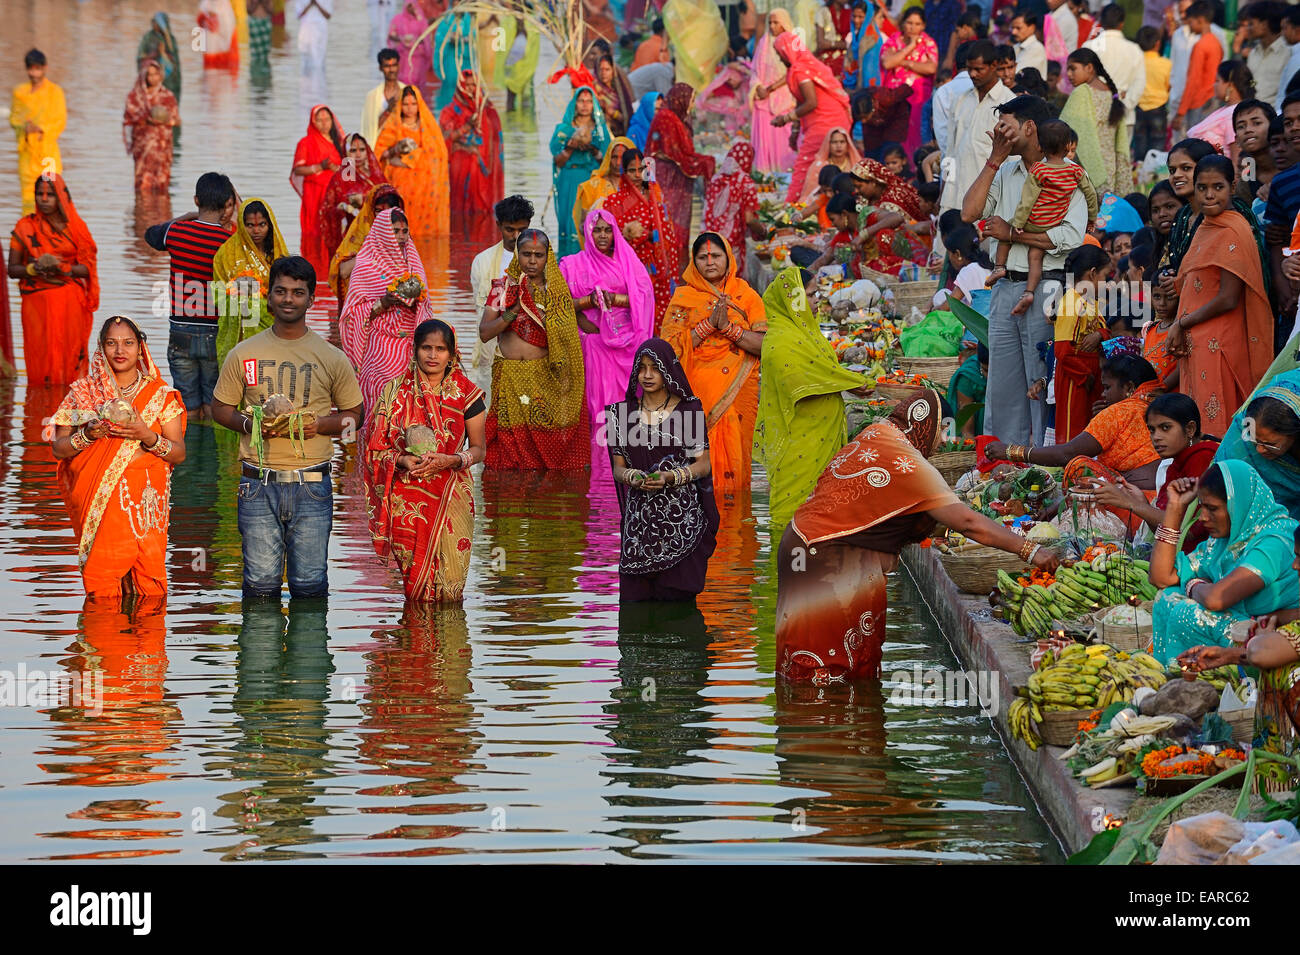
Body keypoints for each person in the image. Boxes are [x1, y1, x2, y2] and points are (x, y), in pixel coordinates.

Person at [776, 391, 1060, 684]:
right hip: (827, 559)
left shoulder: (878, 434)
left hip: (800, 546)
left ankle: (805, 724)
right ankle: (835, 724)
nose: (940, 443)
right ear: (926, 424)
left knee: (805, 660)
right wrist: (1031, 550)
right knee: (834, 668)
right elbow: (967, 522)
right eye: (941, 432)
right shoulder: (905, 460)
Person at [212, 256, 364, 600]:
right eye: (280, 291)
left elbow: (356, 415)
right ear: (268, 297)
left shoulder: (331, 356)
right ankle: (260, 651)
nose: (288, 299)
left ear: (311, 299)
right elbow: (220, 409)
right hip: (256, 484)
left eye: (298, 292)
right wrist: (251, 425)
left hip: (313, 484)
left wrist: (319, 425)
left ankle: (307, 653)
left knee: (310, 587)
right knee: (259, 587)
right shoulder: (244, 353)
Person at [961, 94, 1087, 447]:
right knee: (1002, 388)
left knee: (1039, 385)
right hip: (1005, 290)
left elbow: (1072, 236)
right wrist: (993, 160)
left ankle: (1040, 471)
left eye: (1006, 126)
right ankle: (1000, 471)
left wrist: (1013, 234)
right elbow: (969, 213)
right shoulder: (1004, 170)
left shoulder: (1068, 173)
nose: (998, 133)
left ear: (1029, 128)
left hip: (1048, 288)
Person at [47, 316, 187, 596]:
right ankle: (101, 637)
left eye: (128, 343)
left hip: (146, 508)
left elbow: (179, 453)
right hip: (102, 507)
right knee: (103, 589)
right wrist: (87, 435)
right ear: (101, 348)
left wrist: (146, 436)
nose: (120, 350)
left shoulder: (160, 395)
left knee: (150, 591)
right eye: (111, 343)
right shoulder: (84, 392)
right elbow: (58, 448)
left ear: (140, 347)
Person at [365, 319, 486, 603]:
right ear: (415, 350)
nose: (433, 355)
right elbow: (374, 450)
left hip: (452, 496)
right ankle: (414, 644)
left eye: (440, 349)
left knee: (450, 593)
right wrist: (402, 460)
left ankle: (450, 645)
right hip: (407, 501)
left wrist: (452, 459)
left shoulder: (468, 394)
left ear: (452, 353)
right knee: (415, 592)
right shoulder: (393, 393)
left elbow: (479, 450)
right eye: (426, 348)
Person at [1150, 460, 1300, 664]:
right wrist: (1175, 509)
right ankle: (1174, 675)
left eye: (1212, 508)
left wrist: (1194, 584)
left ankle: (1206, 680)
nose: (1203, 518)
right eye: (1202, 507)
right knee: (1166, 597)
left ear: (1237, 505)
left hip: (1275, 642)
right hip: (1248, 625)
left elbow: (1216, 599)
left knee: (1188, 613)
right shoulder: (1226, 539)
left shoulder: (1274, 540)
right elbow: (1161, 577)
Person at [606, 338, 720, 601]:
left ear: (668, 369)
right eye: (642, 367)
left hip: (682, 527)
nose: (647, 375)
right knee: (635, 612)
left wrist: (671, 477)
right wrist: (632, 476)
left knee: (678, 607)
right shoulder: (621, 414)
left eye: (655, 368)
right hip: (638, 532)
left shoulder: (688, 410)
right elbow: (618, 469)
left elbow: (702, 464)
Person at [755, 267, 867, 532]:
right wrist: (856, 382)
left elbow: (825, 370)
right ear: (792, 298)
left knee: (819, 524)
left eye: (816, 294)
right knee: (790, 525)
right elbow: (802, 381)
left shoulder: (808, 333)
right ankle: (782, 572)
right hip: (798, 448)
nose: (817, 300)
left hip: (819, 441)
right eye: (810, 294)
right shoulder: (779, 341)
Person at [1167, 155, 1273, 432]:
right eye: (1202, 188)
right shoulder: (1205, 226)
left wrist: (1182, 323)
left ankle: (1217, 474)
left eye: (1218, 187)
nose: (1209, 195)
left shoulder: (1233, 228)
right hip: (1197, 340)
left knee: (1215, 420)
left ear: (1233, 186)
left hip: (1219, 341)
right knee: (1196, 418)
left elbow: (1228, 297)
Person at [661, 233, 766, 508]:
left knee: (734, 467)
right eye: (702, 257)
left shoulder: (746, 295)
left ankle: (732, 530)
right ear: (693, 262)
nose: (710, 262)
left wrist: (729, 329)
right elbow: (668, 350)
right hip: (696, 394)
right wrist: (708, 325)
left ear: (728, 257)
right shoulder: (684, 298)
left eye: (716, 255)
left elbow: (766, 345)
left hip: (737, 393)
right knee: (694, 471)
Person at [479, 230, 588, 470]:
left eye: (538, 255)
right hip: (508, 376)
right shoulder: (502, 289)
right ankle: (509, 500)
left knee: (542, 451)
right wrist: (512, 311)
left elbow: (567, 343)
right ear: (517, 255)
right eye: (526, 254)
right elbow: (485, 333)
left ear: (547, 257)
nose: (531, 261)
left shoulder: (556, 294)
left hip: (542, 378)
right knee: (507, 450)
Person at [561, 209, 656, 463]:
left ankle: (630, 465)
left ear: (615, 233)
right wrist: (587, 301)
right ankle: (601, 470)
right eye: (596, 230)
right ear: (587, 233)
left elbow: (644, 295)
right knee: (598, 412)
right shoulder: (571, 264)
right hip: (593, 343)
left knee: (628, 411)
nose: (602, 235)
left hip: (627, 345)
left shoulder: (627, 261)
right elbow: (559, 304)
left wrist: (615, 299)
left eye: (607, 230)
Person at [144, 172, 237, 419]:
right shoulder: (229, 241)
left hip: (181, 330)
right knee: (212, 403)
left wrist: (182, 218)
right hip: (213, 331)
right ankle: (210, 455)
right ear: (227, 205)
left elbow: (151, 235)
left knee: (186, 405)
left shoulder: (177, 233)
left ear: (196, 200)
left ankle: (189, 452)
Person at [987, 120, 1100, 316]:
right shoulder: (1076, 171)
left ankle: (999, 267)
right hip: (1053, 223)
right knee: (1036, 256)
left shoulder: (1039, 170)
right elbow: (1091, 195)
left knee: (1004, 232)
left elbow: (1027, 201)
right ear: (1068, 146)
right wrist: (1091, 217)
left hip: (1034, 221)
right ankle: (1029, 292)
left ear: (1040, 146)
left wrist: (1017, 226)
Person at [1085, 392, 1218, 553]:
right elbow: (1166, 533)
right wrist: (1142, 504)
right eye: (1152, 430)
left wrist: (1132, 504)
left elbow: (1188, 531)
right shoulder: (1177, 461)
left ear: (1190, 429)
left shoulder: (1204, 457)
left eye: (1165, 428)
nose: (1156, 437)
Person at [340, 209, 434, 424]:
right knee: (381, 409)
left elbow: (427, 306)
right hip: (380, 348)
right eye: (394, 231)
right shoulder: (365, 266)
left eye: (404, 231)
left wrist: (415, 297)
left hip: (412, 348)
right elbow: (351, 315)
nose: (400, 237)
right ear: (382, 233)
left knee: (412, 412)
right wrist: (383, 303)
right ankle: (376, 454)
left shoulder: (413, 262)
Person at [8, 174, 99, 387]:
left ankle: (70, 410)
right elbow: (12, 269)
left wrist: (62, 268)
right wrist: (34, 268)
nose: (44, 199)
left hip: (70, 301)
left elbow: (88, 268)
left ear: (62, 197)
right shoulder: (25, 226)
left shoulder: (77, 228)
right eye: (40, 194)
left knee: (70, 358)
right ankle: (39, 411)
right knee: (40, 357)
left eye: (51, 194)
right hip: (36, 302)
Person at [771, 33, 852, 205]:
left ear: (787, 52)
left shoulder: (800, 71)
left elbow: (811, 103)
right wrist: (794, 129)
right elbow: (801, 102)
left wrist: (785, 119)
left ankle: (793, 207)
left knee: (804, 164)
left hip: (827, 119)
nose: (779, 59)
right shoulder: (801, 67)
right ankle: (821, 206)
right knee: (821, 164)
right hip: (822, 118)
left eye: (780, 54)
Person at [602, 149, 679, 327]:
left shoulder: (656, 197)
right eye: (631, 170)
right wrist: (643, 235)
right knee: (635, 314)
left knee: (661, 314)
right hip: (631, 267)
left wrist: (655, 236)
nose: (637, 175)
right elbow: (612, 237)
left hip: (659, 269)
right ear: (624, 172)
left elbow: (669, 234)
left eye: (641, 169)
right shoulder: (614, 201)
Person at [939, 40, 1014, 219]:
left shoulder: (1009, 103)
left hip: (987, 200)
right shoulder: (960, 99)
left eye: (978, 69)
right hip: (953, 195)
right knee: (941, 247)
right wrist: (942, 191)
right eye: (969, 69)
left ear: (994, 66)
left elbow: (1013, 159)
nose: (972, 74)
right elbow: (950, 151)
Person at [1044, 244, 1110, 443]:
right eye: (1105, 276)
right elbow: (1062, 350)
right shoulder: (1071, 302)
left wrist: (1099, 334)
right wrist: (1085, 376)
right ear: (1092, 274)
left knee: (1090, 429)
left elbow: (1105, 329)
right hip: (1076, 377)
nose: (1107, 283)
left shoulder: (1091, 300)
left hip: (1090, 373)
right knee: (1074, 430)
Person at [1215, 370, 1300, 522]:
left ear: (1294, 434)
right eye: (1254, 440)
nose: (1259, 450)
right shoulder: (1241, 438)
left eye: (1270, 444)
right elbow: (1225, 484)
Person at [214, 198, 290, 367]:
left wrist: (262, 294)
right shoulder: (226, 253)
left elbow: (288, 290)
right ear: (242, 225)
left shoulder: (278, 254)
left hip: (271, 327)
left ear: (270, 225)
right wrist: (235, 289)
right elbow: (217, 293)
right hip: (236, 330)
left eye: (262, 224)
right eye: (250, 225)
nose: (256, 231)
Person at [647, 84, 717, 266]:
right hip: (668, 179)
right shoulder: (666, 118)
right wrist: (704, 162)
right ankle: (670, 270)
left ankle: (677, 270)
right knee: (668, 225)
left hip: (675, 179)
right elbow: (676, 153)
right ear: (681, 99)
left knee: (677, 228)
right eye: (691, 100)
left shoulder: (675, 117)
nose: (692, 105)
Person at [374, 84, 450, 236]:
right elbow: (378, 155)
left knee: (424, 235)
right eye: (406, 104)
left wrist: (408, 159)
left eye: (413, 104)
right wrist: (394, 151)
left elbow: (437, 155)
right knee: (399, 227)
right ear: (400, 105)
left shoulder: (428, 128)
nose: (410, 108)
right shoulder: (393, 126)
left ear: (419, 104)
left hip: (425, 189)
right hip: (399, 185)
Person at [470, 195, 533, 369]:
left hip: (532, 350)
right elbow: (482, 311)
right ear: (498, 225)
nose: (516, 236)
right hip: (493, 348)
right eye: (509, 229)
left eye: (522, 229)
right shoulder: (483, 262)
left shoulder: (540, 259)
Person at [1060, 49, 1134, 196]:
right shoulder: (1111, 93)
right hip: (1110, 167)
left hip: (1090, 166)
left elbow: (1062, 131)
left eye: (1073, 68)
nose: (1069, 74)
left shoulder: (1082, 92)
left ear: (1089, 68)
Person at [551, 87, 612, 259]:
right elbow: (558, 160)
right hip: (569, 179)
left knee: (589, 224)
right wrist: (571, 147)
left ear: (594, 105)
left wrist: (592, 149)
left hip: (590, 182)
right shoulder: (564, 129)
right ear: (574, 104)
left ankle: (591, 264)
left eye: (588, 101)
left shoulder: (600, 131)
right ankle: (566, 264)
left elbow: (607, 161)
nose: (585, 105)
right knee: (569, 222)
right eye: (581, 100)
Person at [440, 71, 504, 224]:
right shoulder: (449, 111)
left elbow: (496, 142)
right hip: (460, 168)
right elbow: (443, 141)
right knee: (459, 213)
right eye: (466, 85)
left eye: (473, 85)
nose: (470, 89)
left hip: (484, 169)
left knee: (483, 214)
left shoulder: (487, 110)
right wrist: (466, 127)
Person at [316, 134, 385, 276]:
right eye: (353, 150)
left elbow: (387, 198)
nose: (358, 155)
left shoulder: (375, 176)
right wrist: (343, 208)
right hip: (349, 237)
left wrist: (364, 199)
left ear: (368, 151)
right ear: (345, 153)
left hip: (377, 236)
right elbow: (326, 210)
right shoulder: (340, 178)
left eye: (362, 149)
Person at [847, 158, 929, 275]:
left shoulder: (893, 200)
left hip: (914, 249)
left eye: (859, 186)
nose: (856, 191)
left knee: (884, 235)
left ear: (873, 182)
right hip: (877, 253)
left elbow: (897, 223)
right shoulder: (866, 200)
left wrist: (864, 235)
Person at [290, 105, 346, 276]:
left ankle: (332, 274)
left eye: (327, 119)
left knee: (335, 235)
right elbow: (297, 170)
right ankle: (313, 272)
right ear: (313, 122)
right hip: (314, 196)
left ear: (332, 120)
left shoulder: (342, 143)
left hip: (335, 197)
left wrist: (337, 169)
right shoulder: (306, 143)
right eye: (319, 120)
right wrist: (319, 167)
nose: (324, 123)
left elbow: (351, 175)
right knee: (313, 233)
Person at [10, 50, 66, 216]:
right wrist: (24, 127)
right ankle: (30, 237)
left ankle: (50, 238)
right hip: (27, 156)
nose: (34, 73)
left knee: (51, 198)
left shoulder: (55, 92)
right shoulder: (19, 92)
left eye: (37, 69)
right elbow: (14, 118)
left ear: (45, 68)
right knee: (28, 202)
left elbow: (60, 121)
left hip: (47, 156)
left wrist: (40, 128)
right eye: (31, 69)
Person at [328, 182, 403, 305]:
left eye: (388, 211)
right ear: (370, 210)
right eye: (378, 210)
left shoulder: (403, 236)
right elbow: (343, 272)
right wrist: (372, 248)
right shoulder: (361, 234)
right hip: (364, 307)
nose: (383, 216)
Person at [879, 7, 938, 154]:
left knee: (915, 130)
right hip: (894, 96)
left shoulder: (928, 43)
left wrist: (904, 62)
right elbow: (887, 63)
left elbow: (931, 68)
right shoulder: (894, 39)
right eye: (909, 23)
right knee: (894, 133)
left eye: (917, 24)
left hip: (918, 97)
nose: (912, 27)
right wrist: (911, 46)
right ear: (903, 23)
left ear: (923, 25)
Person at [1081, 3, 1145, 131]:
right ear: (1122, 23)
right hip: (1124, 116)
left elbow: (1081, 82)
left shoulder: (1089, 47)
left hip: (1094, 113)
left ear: (1102, 22)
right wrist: (1125, 106)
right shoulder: (1134, 49)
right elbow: (1139, 83)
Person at [751, 9, 799, 175]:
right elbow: (754, 70)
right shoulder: (764, 42)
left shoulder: (793, 42)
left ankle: (785, 179)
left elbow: (795, 70)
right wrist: (758, 87)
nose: (772, 26)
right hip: (763, 101)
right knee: (765, 142)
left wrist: (770, 89)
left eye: (776, 22)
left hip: (785, 99)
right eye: (770, 22)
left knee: (784, 142)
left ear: (784, 23)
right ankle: (766, 181)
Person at [702, 142, 767, 265]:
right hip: (732, 243)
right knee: (731, 279)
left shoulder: (716, 179)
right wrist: (763, 231)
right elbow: (749, 219)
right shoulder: (745, 182)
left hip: (709, 240)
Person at [1172, 1, 1224, 133]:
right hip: (1212, 98)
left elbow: (1193, 80)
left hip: (1198, 102)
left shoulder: (1200, 46)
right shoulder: (1215, 42)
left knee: (1194, 142)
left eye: (1190, 23)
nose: (1189, 27)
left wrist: (1181, 112)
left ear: (1200, 21)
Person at [574, 137, 633, 246]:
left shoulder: (638, 188)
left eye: (623, 157)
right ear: (608, 158)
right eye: (614, 157)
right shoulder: (592, 186)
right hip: (600, 247)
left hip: (632, 248)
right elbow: (582, 226)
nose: (618, 163)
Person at [1187, 62, 1254, 155]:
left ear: (1230, 85)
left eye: (1217, 81)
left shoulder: (1234, 115)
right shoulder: (1226, 110)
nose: (1214, 85)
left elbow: (1237, 159)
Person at [796, 127, 861, 204]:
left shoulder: (856, 164)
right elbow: (810, 194)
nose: (838, 146)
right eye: (834, 142)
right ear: (828, 144)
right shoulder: (818, 166)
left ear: (848, 144)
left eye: (842, 142)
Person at [1134, 26, 1171, 160]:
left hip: (1138, 108)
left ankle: (1138, 174)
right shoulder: (1166, 64)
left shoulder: (1134, 63)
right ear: (1157, 44)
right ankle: (1154, 176)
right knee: (1157, 147)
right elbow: (1169, 86)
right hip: (1158, 109)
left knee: (1139, 144)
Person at [1244, 0, 1291, 106]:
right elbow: (1252, 83)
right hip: (1252, 110)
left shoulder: (1287, 52)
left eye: (1251, 24)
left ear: (1264, 25)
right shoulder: (1254, 53)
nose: (1248, 29)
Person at [361, 49, 403, 149]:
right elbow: (369, 129)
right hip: (379, 147)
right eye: (387, 66)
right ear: (380, 68)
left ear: (399, 66)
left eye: (394, 65)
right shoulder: (372, 96)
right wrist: (389, 110)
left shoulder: (407, 92)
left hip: (403, 147)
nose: (391, 70)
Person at [388, 2, 434, 92]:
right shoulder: (398, 19)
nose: (411, 8)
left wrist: (415, 41)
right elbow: (391, 35)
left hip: (418, 56)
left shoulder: (421, 21)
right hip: (402, 56)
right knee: (402, 83)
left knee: (417, 84)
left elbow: (426, 39)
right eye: (409, 6)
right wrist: (402, 39)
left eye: (413, 6)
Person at [138, 13, 181, 102]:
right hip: (151, 75)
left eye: (156, 23)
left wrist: (164, 55)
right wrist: (154, 55)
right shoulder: (148, 38)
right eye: (153, 22)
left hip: (169, 79)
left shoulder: (171, 39)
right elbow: (140, 57)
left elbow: (175, 60)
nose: (154, 25)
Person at [198, 0, 240, 69]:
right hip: (211, 52)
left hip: (224, 55)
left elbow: (228, 31)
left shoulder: (225, 8)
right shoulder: (206, 4)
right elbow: (200, 20)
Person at [296, 0, 332, 77]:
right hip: (305, 29)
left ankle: (319, 83)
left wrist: (316, 4)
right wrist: (310, 4)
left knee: (318, 61)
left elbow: (328, 16)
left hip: (320, 30)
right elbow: (299, 15)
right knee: (305, 60)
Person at [1010, 12, 1047, 76]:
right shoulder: (1016, 46)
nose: (1014, 32)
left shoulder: (1036, 48)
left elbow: (1016, 73)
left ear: (1032, 28)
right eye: (1013, 28)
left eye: (1018, 28)